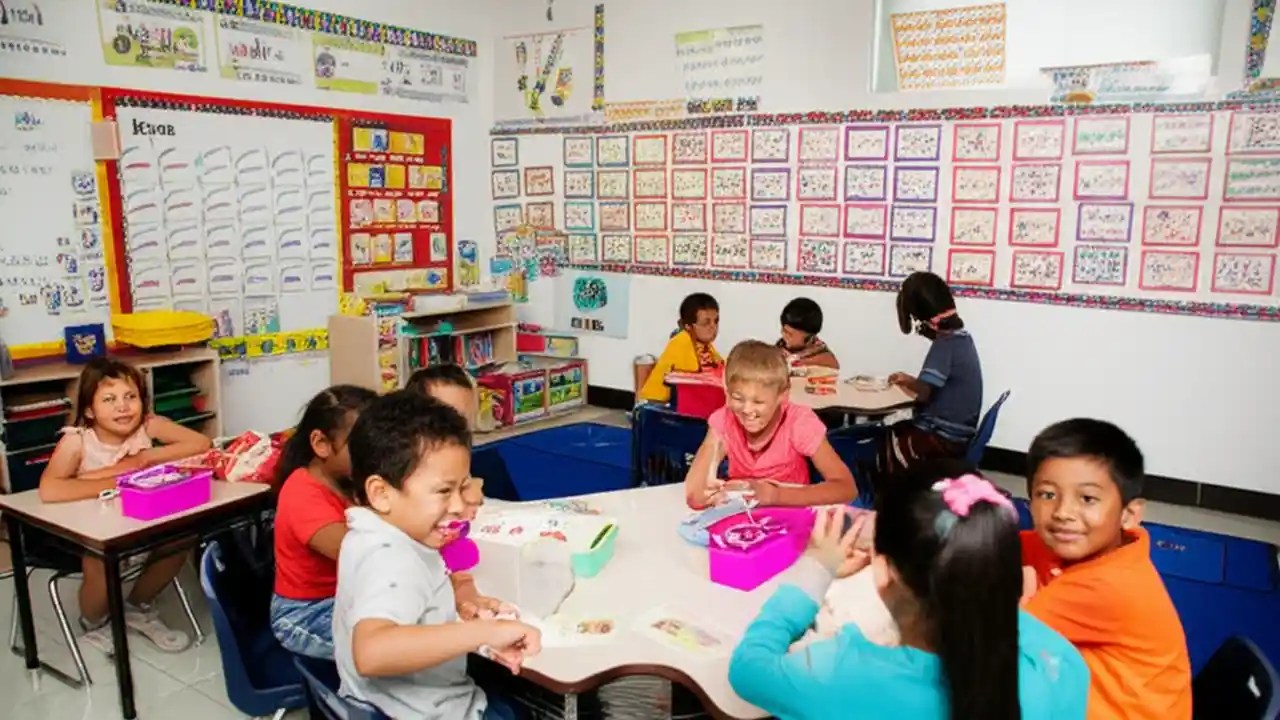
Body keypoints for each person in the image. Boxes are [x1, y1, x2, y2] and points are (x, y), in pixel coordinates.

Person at [729, 460, 1089, 720]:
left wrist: (817, 568)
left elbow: (748, 668)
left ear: (883, 572)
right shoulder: (1059, 663)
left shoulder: (843, 674)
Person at [334, 391, 537, 719]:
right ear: (381, 493)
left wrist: (463, 609)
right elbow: (371, 651)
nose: (458, 506)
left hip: (383, 705)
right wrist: (487, 633)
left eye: (462, 487)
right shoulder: (390, 557)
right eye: (444, 491)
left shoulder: (372, 533)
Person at [39, 357, 213, 654]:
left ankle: (137, 605)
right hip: (96, 532)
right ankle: (94, 621)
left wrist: (142, 460)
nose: (123, 406)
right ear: (90, 410)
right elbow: (50, 489)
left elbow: (200, 443)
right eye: (109, 399)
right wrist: (117, 481)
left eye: (130, 397)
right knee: (98, 560)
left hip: (143, 522)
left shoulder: (148, 426)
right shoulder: (78, 441)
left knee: (183, 538)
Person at [1021, 419, 1191, 720]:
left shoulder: (1108, 584)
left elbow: (989, 637)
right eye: (1047, 494)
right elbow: (1010, 544)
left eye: (1087, 499)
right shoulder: (1103, 546)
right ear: (1029, 502)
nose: (1062, 513)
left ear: (1129, 514)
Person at [683, 340, 856, 510]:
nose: (747, 410)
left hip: (792, 519)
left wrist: (774, 495)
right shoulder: (724, 420)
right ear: (726, 391)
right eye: (737, 398)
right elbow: (695, 496)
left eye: (758, 402)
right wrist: (710, 492)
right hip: (745, 523)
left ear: (783, 396)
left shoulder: (798, 422)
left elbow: (846, 489)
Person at [269, 385, 376, 659]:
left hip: (349, 597)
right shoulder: (303, 493)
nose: (377, 455)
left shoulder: (351, 480)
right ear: (321, 444)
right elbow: (360, 554)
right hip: (305, 614)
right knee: (393, 648)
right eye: (363, 446)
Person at [405, 364, 508, 620]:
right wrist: (462, 585)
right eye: (446, 418)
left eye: (463, 421)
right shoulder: (408, 468)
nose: (456, 430)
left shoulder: (457, 454)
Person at [879, 272, 983, 479]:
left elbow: (925, 393)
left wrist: (906, 380)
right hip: (960, 434)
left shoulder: (945, 345)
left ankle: (888, 497)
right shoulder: (961, 338)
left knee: (882, 441)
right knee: (893, 427)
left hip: (943, 438)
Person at [637, 292, 722, 403]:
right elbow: (693, 377)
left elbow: (720, 366)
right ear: (688, 326)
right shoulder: (682, 342)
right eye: (706, 323)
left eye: (716, 321)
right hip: (659, 405)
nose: (713, 327)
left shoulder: (705, 346)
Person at [776, 298, 838, 370]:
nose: (783, 334)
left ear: (809, 338)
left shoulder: (822, 355)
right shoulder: (779, 349)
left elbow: (833, 367)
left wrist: (804, 362)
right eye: (784, 330)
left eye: (790, 334)